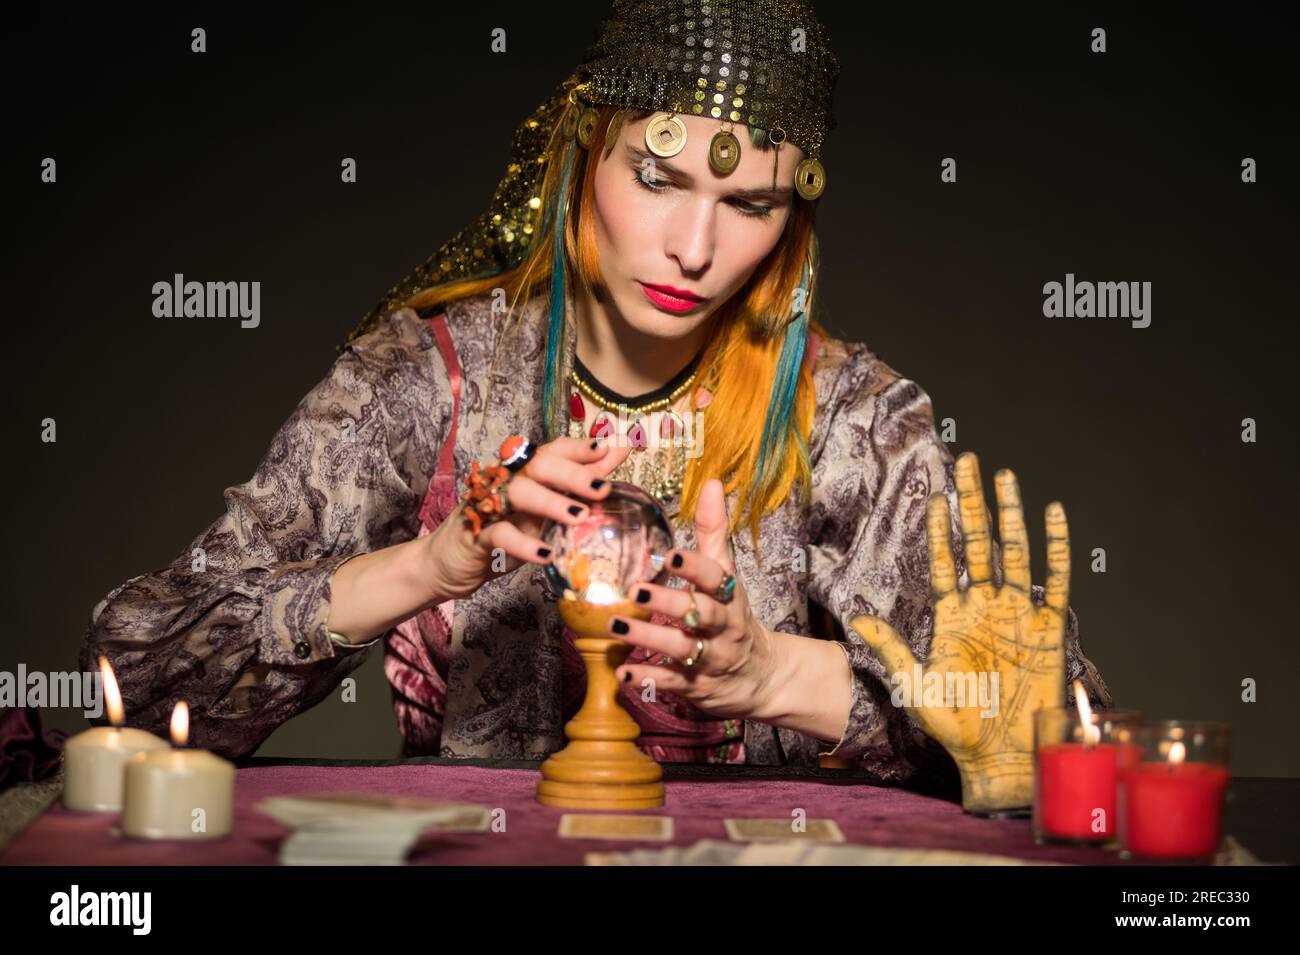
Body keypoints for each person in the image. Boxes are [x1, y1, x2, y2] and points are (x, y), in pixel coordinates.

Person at [81, 0, 1111, 793]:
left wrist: (774, 677)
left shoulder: (851, 418)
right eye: (658, 180)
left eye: (747, 203)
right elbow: (140, 686)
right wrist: (427, 564)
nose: (696, 251)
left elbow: (1061, 745)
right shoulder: (423, 380)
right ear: (580, 152)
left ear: (788, 222)